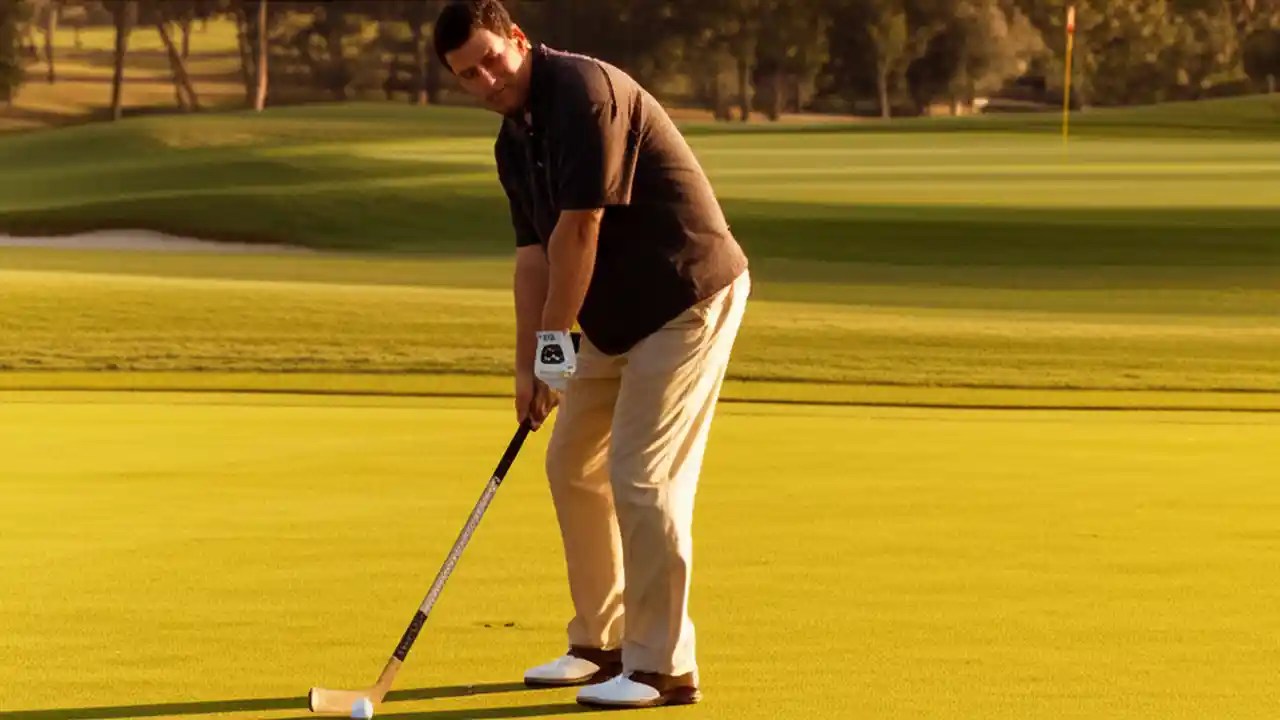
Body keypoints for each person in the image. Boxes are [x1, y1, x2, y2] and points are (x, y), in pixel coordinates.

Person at [433, 0, 751, 709]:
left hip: (683, 297)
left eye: (491, 60)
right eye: (467, 75)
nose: (486, 79)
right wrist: (528, 368)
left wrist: (554, 356)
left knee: (642, 477)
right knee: (571, 461)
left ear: (518, 40)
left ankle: (663, 666)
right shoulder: (514, 142)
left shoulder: (582, 93)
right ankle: (601, 644)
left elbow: (579, 231)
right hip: (612, 314)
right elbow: (534, 259)